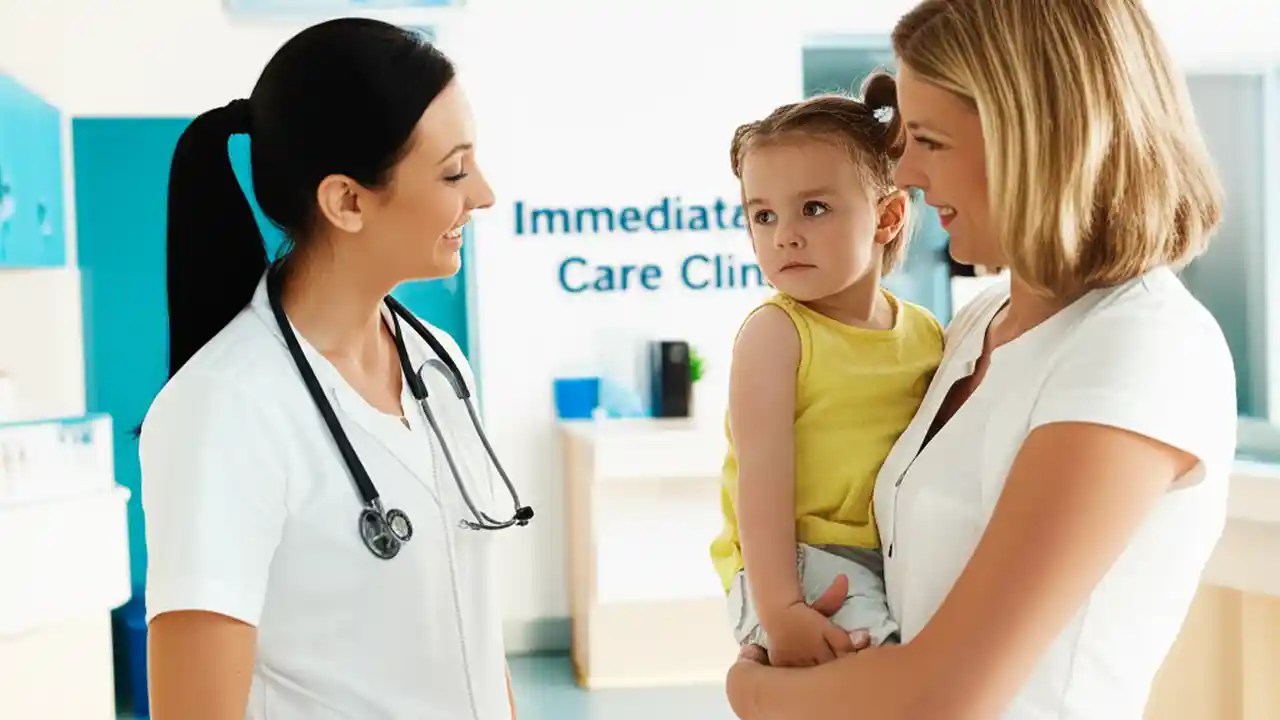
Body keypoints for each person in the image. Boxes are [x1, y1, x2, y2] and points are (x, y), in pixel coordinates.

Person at [726, 0, 1236, 718]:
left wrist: (752, 692)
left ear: (1040, 141)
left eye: (929, 141)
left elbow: (942, 696)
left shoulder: (1141, 350)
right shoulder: (976, 323)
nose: (903, 173)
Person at [139, 18, 522, 719]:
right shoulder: (223, 409)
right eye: (454, 172)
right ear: (346, 200)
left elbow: (473, 635)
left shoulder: (439, 364)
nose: (485, 195)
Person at [709, 78, 944, 667]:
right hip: (796, 560)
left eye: (813, 208)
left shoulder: (925, 333)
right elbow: (759, 485)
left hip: (889, 552)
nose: (783, 234)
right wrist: (781, 608)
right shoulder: (775, 334)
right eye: (762, 215)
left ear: (888, 217)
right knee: (885, 677)